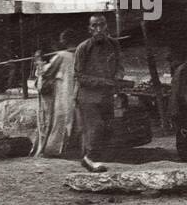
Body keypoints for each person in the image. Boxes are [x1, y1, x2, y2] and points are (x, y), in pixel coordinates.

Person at [73, 14, 122, 173]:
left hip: (107, 95)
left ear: (107, 26)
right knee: (96, 126)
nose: (99, 29)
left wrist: (118, 76)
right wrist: (101, 82)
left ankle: (94, 159)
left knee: (107, 128)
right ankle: (89, 158)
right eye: (95, 26)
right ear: (90, 29)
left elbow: (120, 66)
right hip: (88, 96)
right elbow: (79, 76)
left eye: (101, 25)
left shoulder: (114, 45)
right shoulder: (83, 48)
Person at [35, 30, 79, 158]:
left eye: (61, 39)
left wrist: (38, 61)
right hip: (74, 90)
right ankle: (70, 148)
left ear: (65, 40)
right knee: (71, 118)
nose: (60, 41)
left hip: (63, 91)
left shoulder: (62, 56)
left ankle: (54, 149)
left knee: (60, 118)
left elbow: (46, 72)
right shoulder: (79, 54)